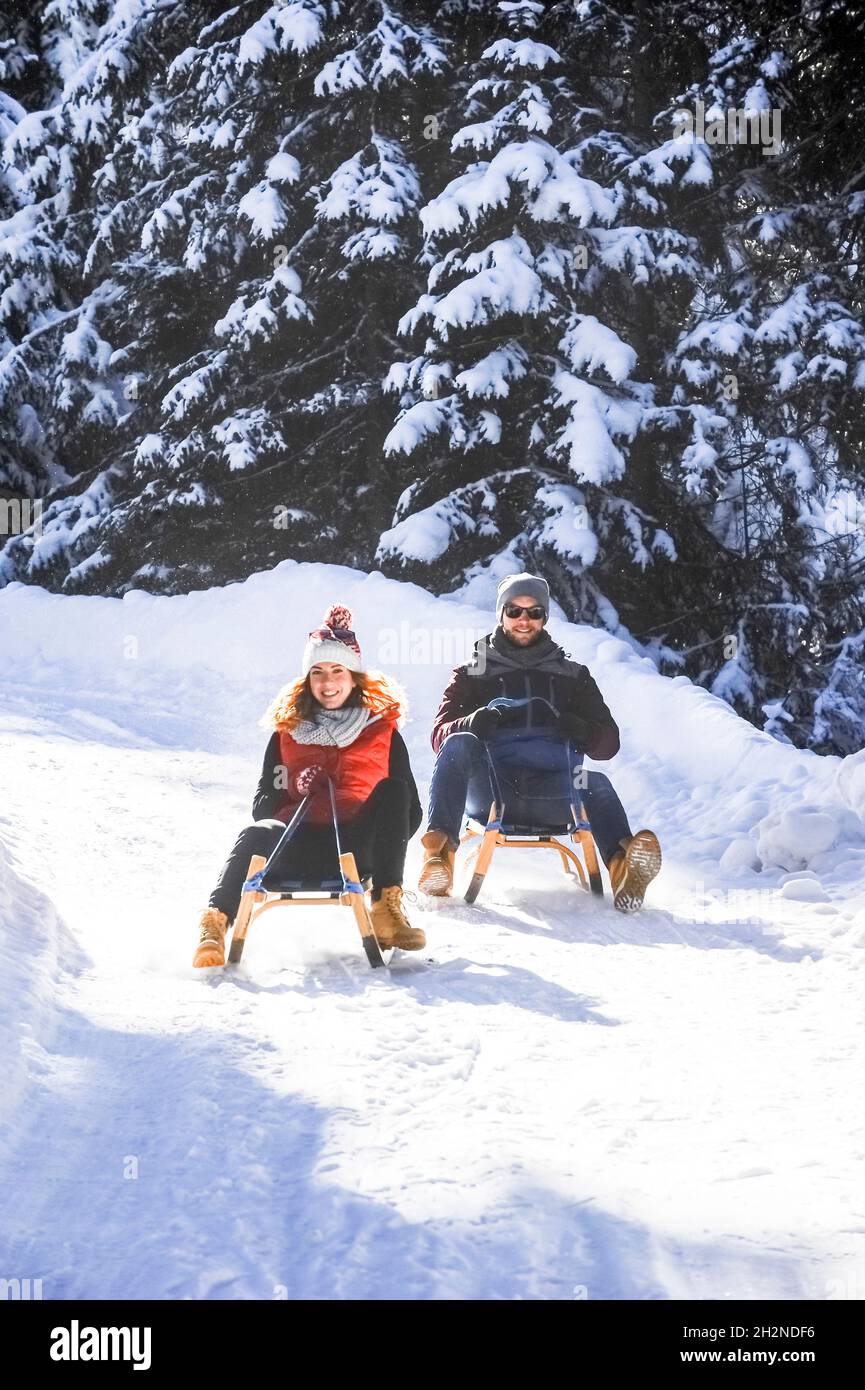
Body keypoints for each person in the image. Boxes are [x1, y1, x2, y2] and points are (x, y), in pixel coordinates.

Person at [193, 603, 425, 966]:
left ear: (354, 677)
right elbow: (264, 803)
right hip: (294, 845)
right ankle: (214, 926)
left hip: (354, 849)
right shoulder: (287, 731)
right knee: (257, 830)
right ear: (306, 679)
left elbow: (410, 812)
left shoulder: (383, 731)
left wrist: (382, 846)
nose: (328, 682)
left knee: (393, 790)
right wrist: (298, 787)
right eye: (317, 672)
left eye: (338, 670)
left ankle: (386, 910)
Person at [418, 573, 661, 912]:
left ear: (545, 618)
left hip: (558, 790)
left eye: (534, 612)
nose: (524, 620)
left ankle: (623, 868)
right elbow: (439, 736)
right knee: (459, 743)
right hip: (492, 789)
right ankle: (439, 859)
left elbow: (609, 745)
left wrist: (580, 727)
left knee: (596, 782)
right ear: (501, 615)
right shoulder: (473, 672)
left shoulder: (573, 676)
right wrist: (470, 722)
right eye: (515, 611)